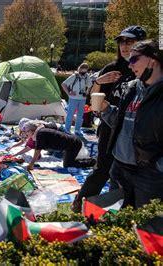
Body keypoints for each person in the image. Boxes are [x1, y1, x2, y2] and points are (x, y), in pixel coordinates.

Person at [72, 25, 147, 212]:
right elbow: (93, 100)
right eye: (122, 41)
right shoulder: (113, 68)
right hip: (110, 126)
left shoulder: (146, 70)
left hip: (136, 132)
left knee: (130, 173)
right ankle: (81, 204)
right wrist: (98, 82)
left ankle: (126, 212)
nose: (124, 46)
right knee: (103, 168)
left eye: (130, 41)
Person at [96, 40, 163, 208]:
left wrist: (158, 166)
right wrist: (105, 110)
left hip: (149, 175)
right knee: (115, 221)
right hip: (119, 168)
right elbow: (121, 123)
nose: (130, 65)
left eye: (134, 60)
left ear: (153, 59)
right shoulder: (132, 88)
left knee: (145, 226)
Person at [17, 121, 95, 171]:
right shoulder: (39, 132)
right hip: (68, 145)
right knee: (67, 162)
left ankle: (92, 162)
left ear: (32, 130)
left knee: (68, 165)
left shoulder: (40, 134)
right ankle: (87, 160)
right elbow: (31, 146)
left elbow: (38, 150)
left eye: (26, 132)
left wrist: (31, 163)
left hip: (74, 144)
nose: (26, 134)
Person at [62, 63, 92, 135]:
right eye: (82, 71)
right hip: (73, 98)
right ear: (79, 69)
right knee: (70, 114)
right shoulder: (74, 76)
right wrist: (69, 93)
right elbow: (63, 84)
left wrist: (87, 92)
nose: (83, 73)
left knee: (80, 115)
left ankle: (77, 130)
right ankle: (67, 129)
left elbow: (90, 85)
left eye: (85, 71)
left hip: (82, 99)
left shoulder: (86, 76)